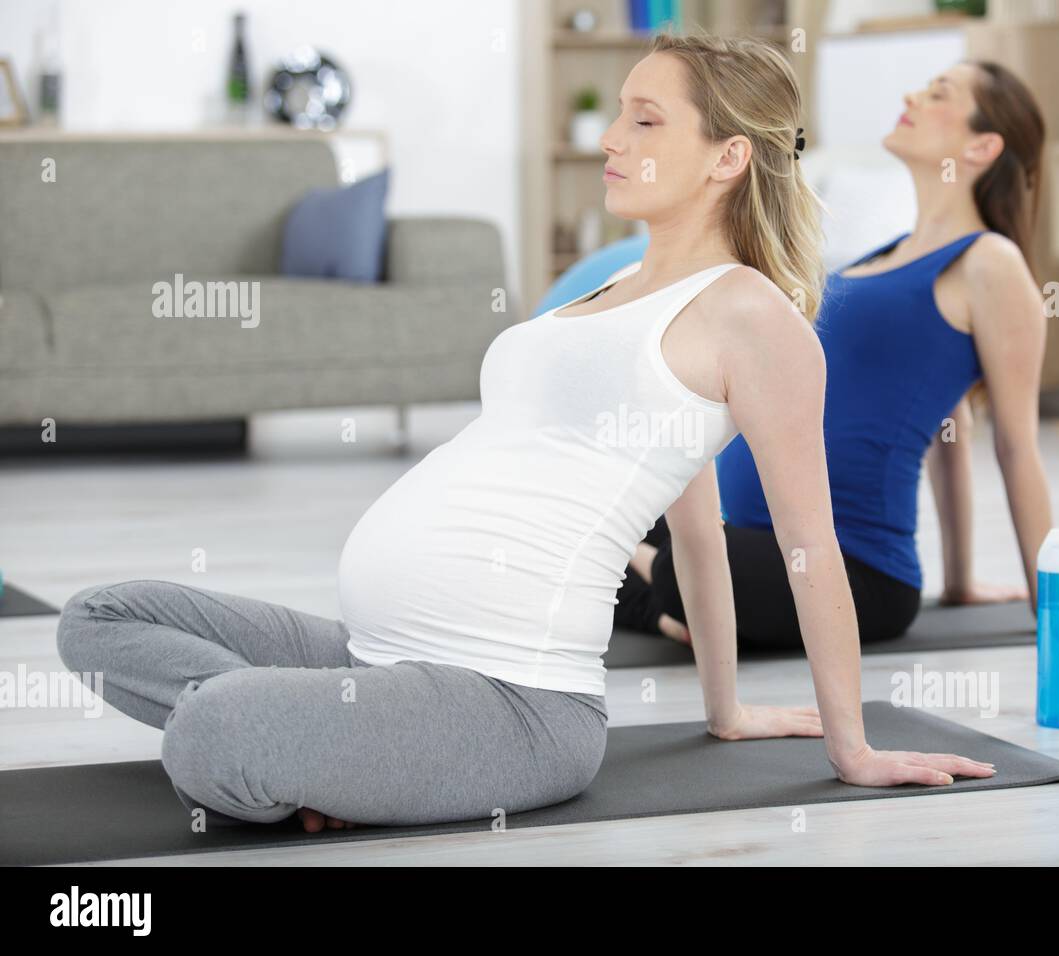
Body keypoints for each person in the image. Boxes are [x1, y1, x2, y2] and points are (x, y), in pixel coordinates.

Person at [56, 35, 995, 834]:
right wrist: (727, 710)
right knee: (98, 619)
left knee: (214, 728)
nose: (612, 138)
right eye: (619, 113)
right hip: (373, 658)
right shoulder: (608, 292)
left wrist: (852, 745)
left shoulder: (753, 319)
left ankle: (304, 752)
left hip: (511, 704)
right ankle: (331, 758)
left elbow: (808, 549)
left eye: (646, 120)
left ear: (728, 158)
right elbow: (698, 535)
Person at [615, 61, 1059, 650]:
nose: (913, 95)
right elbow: (952, 423)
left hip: (854, 569)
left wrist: (1051, 604)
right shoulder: (882, 256)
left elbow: (1016, 444)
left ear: (982, 145)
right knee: (602, 507)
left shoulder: (989, 263)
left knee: (686, 560)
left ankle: (666, 590)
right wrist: (959, 582)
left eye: (938, 94)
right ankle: (674, 603)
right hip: (758, 534)